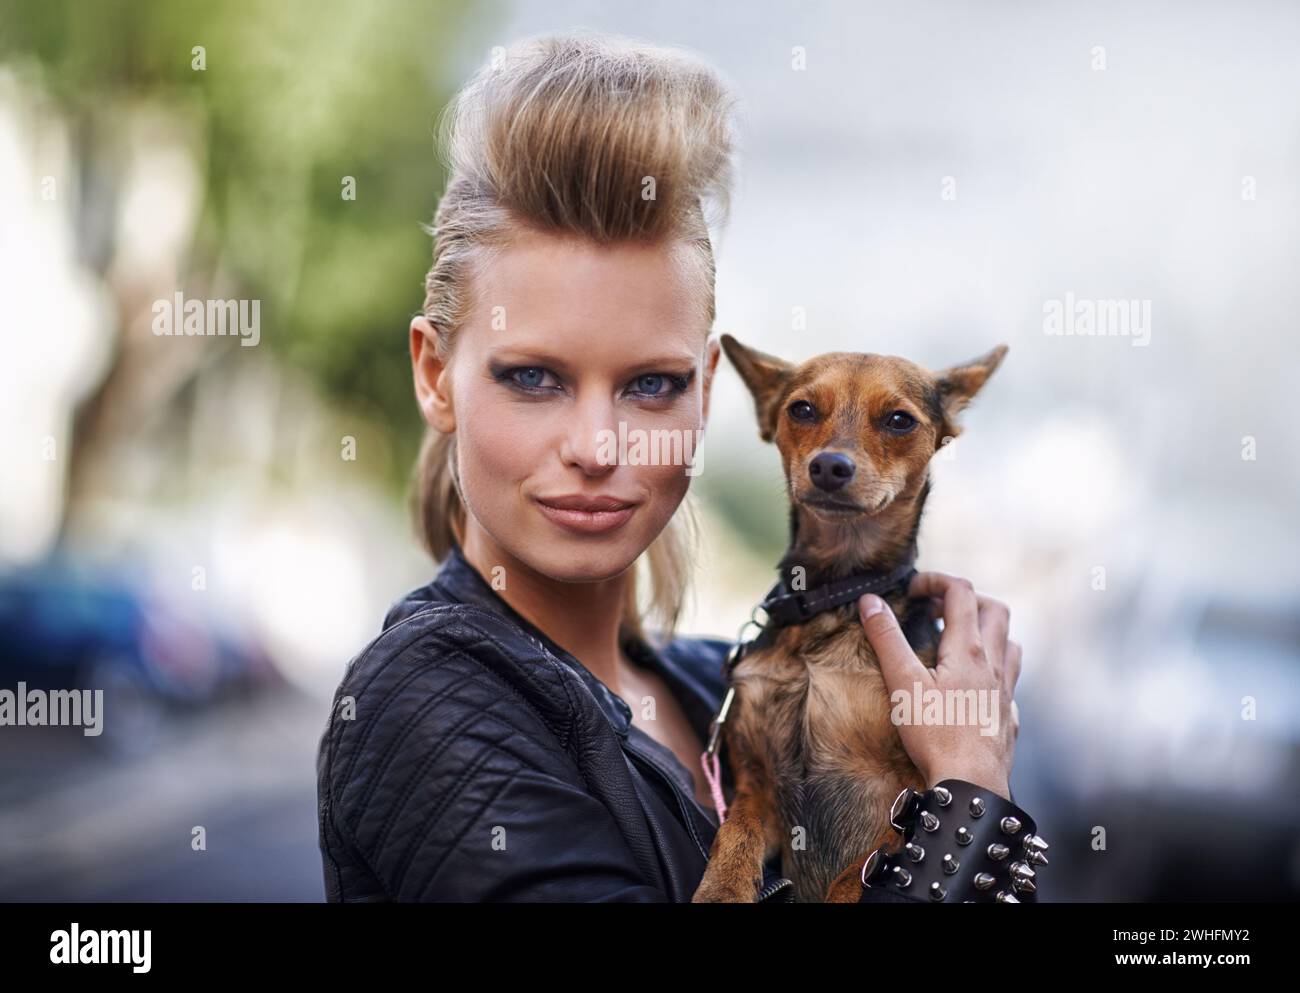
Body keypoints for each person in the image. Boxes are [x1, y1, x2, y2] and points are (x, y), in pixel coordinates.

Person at [316, 29, 1043, 903]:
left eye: (650, 384)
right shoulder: (425, 707)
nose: (597, 445)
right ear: (437, 376)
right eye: (534, 378)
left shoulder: (719, 685)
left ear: (704, 394)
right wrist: (968, 803)